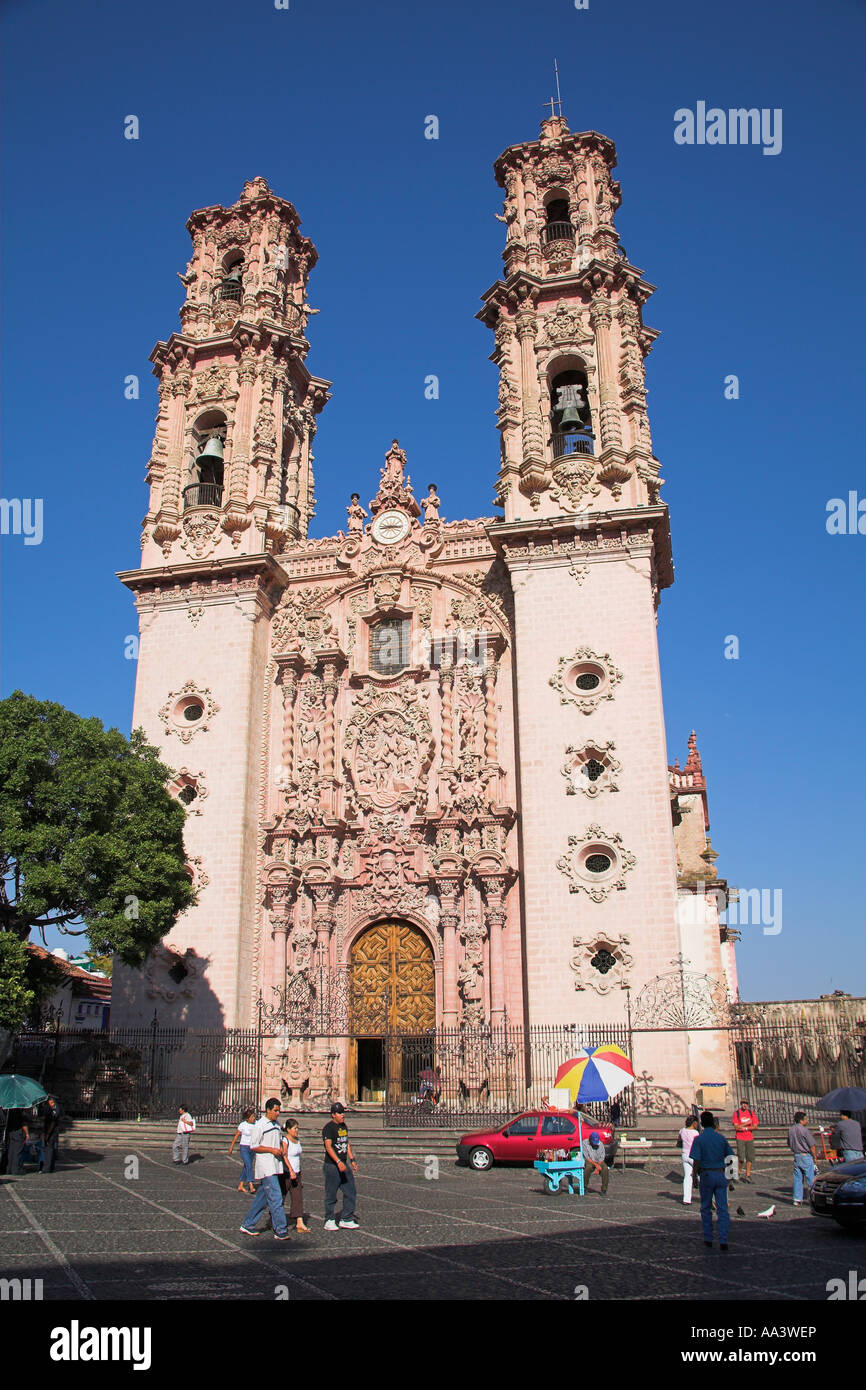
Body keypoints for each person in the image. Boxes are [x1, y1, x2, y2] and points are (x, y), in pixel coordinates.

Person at [240, 1099, 290, 1240]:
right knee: (276, 1197)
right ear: (268, 1110)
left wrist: (281, 1147)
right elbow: (254, 1146)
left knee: (263, 1198)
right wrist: (271, 1150)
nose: (278, 1113)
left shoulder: (276, 1124)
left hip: (276, 1165)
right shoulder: (260, 1125)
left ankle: (248, 1224)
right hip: (266, 1166)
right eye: (275, 1110)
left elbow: (278, 1140)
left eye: (279, 1110)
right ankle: (280, 1230)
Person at [691, 1109, 734, 1250]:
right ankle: (723, 1239)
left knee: (706, 1207)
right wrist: (731, 1177)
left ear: (702, 1123)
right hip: (721, 1174)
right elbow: (731, 1157)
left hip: (707, 1175)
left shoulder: (699, 1139)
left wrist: (694, 1177)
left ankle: (708, 1237)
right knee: (722, 1209)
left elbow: (696, 1160)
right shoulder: (721, 1138)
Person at [322, 1101, 359, 1230]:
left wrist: (352, 1159)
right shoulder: (328, 1128)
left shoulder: (344, 1127)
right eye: (339, 1113)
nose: (342, 1115)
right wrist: (338, 1162)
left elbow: (346, 1143)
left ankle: (346, 1218)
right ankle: (329, 1219)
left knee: (350, 1190)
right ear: (333, 1115)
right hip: (332, 1165)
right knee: (331, 1193)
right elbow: (328, 1147)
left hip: (343, 1163)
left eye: (343, 1112)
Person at [283, 1117, 310, 1233]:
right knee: (280, 1197)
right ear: (288, 1129)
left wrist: (296, 1171)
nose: (296, 1130)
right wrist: (290, 1170)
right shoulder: (285, 1140)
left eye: (297, 1128)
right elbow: (284, 1155)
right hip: (286, 1173)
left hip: (297, 1173)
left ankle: (299, 1222)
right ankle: (274, 1219)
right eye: (294, 1128)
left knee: (297, 1197)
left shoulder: (297, 1140)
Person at [787, 1110, 818, 1205]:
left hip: (797, 1155)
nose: (807, 1121)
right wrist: (815, 1158)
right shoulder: (805, 1130)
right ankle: (813, 1198)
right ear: (801, 1120)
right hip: (805, 1155)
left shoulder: (791, 1130)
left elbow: (789, 1143)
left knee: (797, 1178)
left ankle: (797, 1199)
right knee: (810, 1178)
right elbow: (812, 1145)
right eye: (805, 1119)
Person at [228, 1107, 256, 1194]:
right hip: (244, 1147)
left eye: (254, 1116)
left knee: (247, 1166)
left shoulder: (256, 1124)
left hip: (253, 1147)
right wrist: (231, 1147)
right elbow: (236, 1136)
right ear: (248, 1118)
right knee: (248, 1165)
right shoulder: (243, 1125)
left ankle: (241, 1184)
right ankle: (251, 1184)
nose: (253, 1118)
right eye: (252, 1117)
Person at [731, 1099, 758, 1182]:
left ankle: (748, 1175)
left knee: (750, 1157)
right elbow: (736, 1127)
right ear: (741, 1104)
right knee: (741, 1157)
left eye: (746, 1103)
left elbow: (755, 1126)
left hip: (749, 1137)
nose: (744, 1105)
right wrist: (747, 1123)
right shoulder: (737, 1113)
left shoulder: (751, 1113)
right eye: (743, 1103)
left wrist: (745, 1127)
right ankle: (739, 1172)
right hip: (740, 1137)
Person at [38, 1096, 64, 1174]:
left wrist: (47, 1134)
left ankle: (47, 1168)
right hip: (53, 1132)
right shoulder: (56, 1109)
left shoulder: (52, 1110)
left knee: (48, 1150)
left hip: (51, 1132)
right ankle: (50, 1167)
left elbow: (52, 1123)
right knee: (51, 1150)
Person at [679, 1114, 700, 1204]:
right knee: (702, 1176)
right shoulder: (695, 1133)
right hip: (694, 1156)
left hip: (685, 1154)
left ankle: (686, 1199)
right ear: (694, 1123)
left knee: (688, 1176)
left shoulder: (682, 1131)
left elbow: (679, 1141)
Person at [582, 1129, 609, 1195]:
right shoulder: (585, 1143)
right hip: (590, 1160)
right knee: (587, 1169)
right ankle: (585, 1186)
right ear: (590, 1140)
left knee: (605, 1169)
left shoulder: (601, 1144)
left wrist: (598, 1165)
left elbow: (602, 1157)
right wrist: (596, 1166)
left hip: (598, 1161)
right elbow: (587, 1157)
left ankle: (604, 1189)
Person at [5, 1108, 29, 1175]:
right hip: (18, 1132)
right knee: (17, 1152)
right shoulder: (21, 1112)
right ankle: (15, 1169)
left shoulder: (10, 1111)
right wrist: (27, 1133)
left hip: (11, 1132)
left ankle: (9, 1168)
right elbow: (24, 1124)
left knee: (11, 1151)